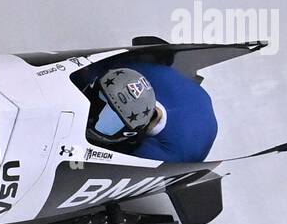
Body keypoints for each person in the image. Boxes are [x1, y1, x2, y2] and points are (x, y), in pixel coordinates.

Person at [84, 62, 217, 162]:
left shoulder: (155, 153)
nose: (92, 118)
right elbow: (97, 75)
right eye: (97, 97)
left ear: (131, 133)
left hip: (189, 143)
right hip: (182, 90)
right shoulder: (129, 74)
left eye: (110, 122)